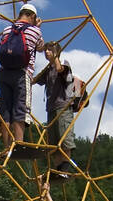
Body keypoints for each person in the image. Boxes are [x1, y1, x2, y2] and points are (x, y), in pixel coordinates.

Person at [31, 42, 86, 174]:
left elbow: (61, 70)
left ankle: (65, 166)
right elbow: (35, 80)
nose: (46, 52)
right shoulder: (48, 70)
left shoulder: (64, 64)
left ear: (57, 52)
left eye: (50, 50)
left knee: (64, 137)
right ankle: (58, 168)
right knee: (53, 141)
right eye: (46, 50)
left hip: (63, 106)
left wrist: (55, 57)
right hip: (50, 108)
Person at [0, 4, 45, 151]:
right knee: (20, 109)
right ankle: (18, 144)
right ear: (32, 16)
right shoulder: (35, 31)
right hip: (22, 73)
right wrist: (38, 27)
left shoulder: (7, 29)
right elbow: (41, 48)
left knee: (5, 109)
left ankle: (6, 146)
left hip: (4, 73)